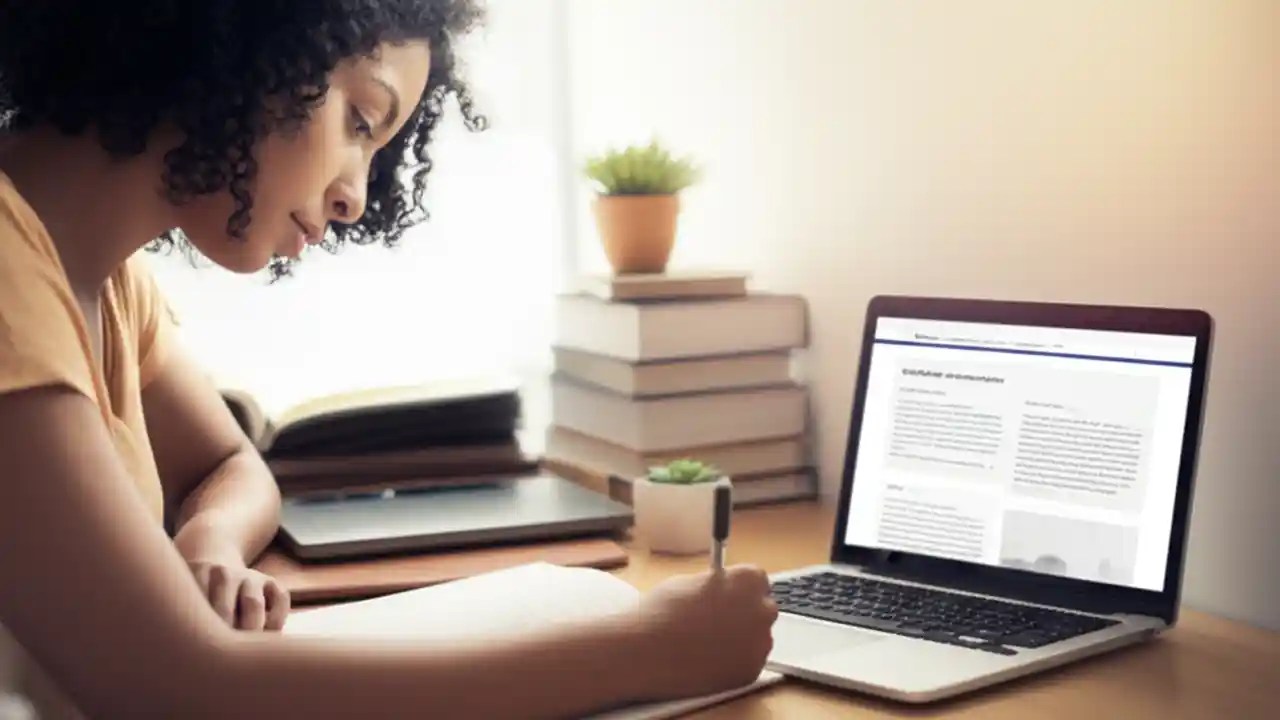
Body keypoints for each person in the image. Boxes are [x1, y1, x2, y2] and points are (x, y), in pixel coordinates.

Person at [0, 2, 778, 718]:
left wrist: (206, 542)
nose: (356, 198)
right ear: (244, 40)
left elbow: (230, 466)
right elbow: (177, 688)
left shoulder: (110, 284)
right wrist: (647, 653)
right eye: (361, 119)